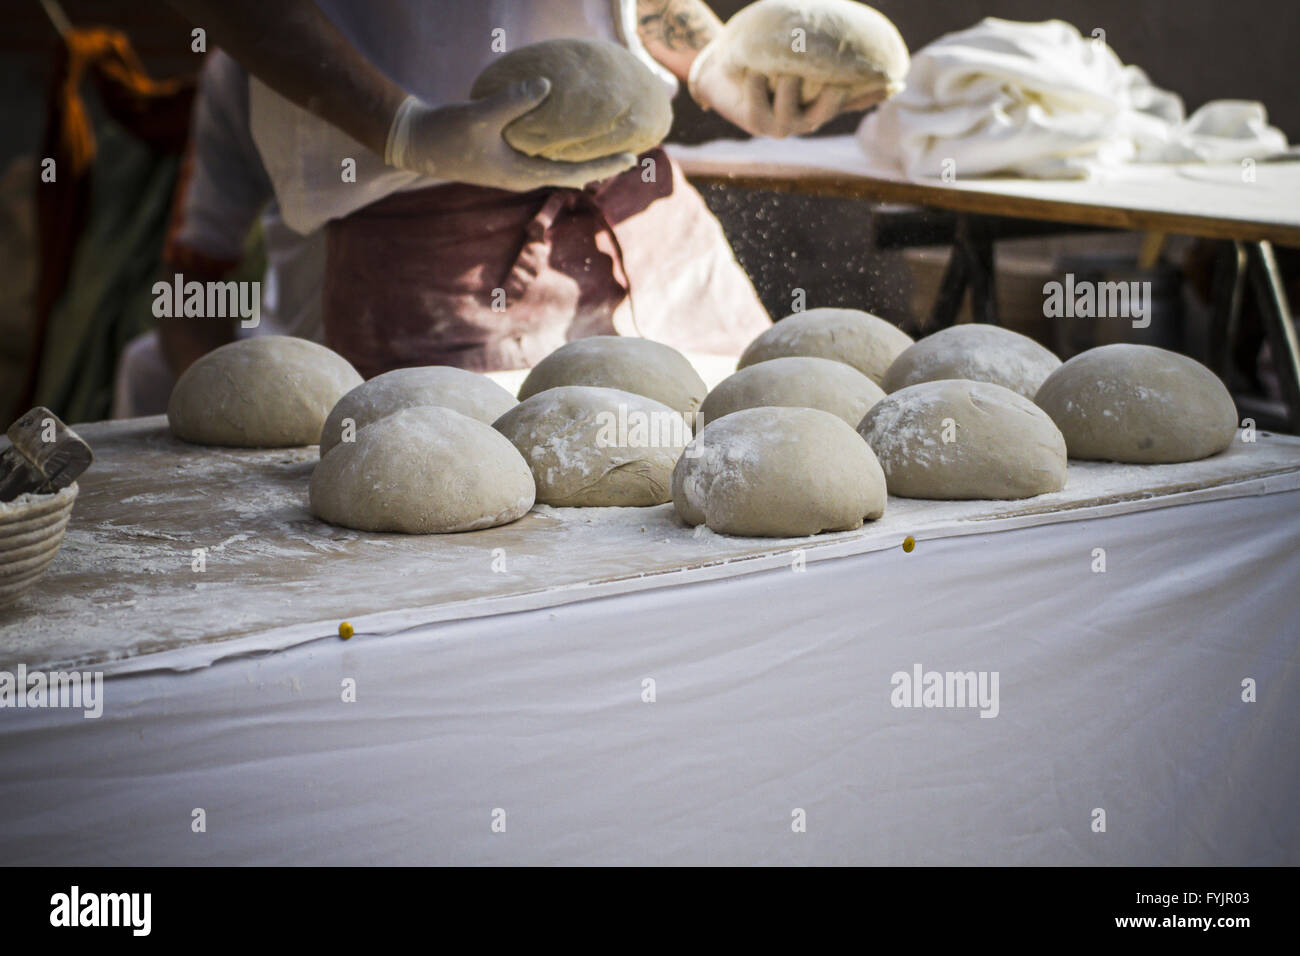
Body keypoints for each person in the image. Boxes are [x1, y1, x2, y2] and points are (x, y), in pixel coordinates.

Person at [156, 1, 872, 378]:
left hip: (644, 198)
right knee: (497, 531)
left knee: (762, 435)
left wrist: (710, 54)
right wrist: (406, 129)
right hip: (434, 249)